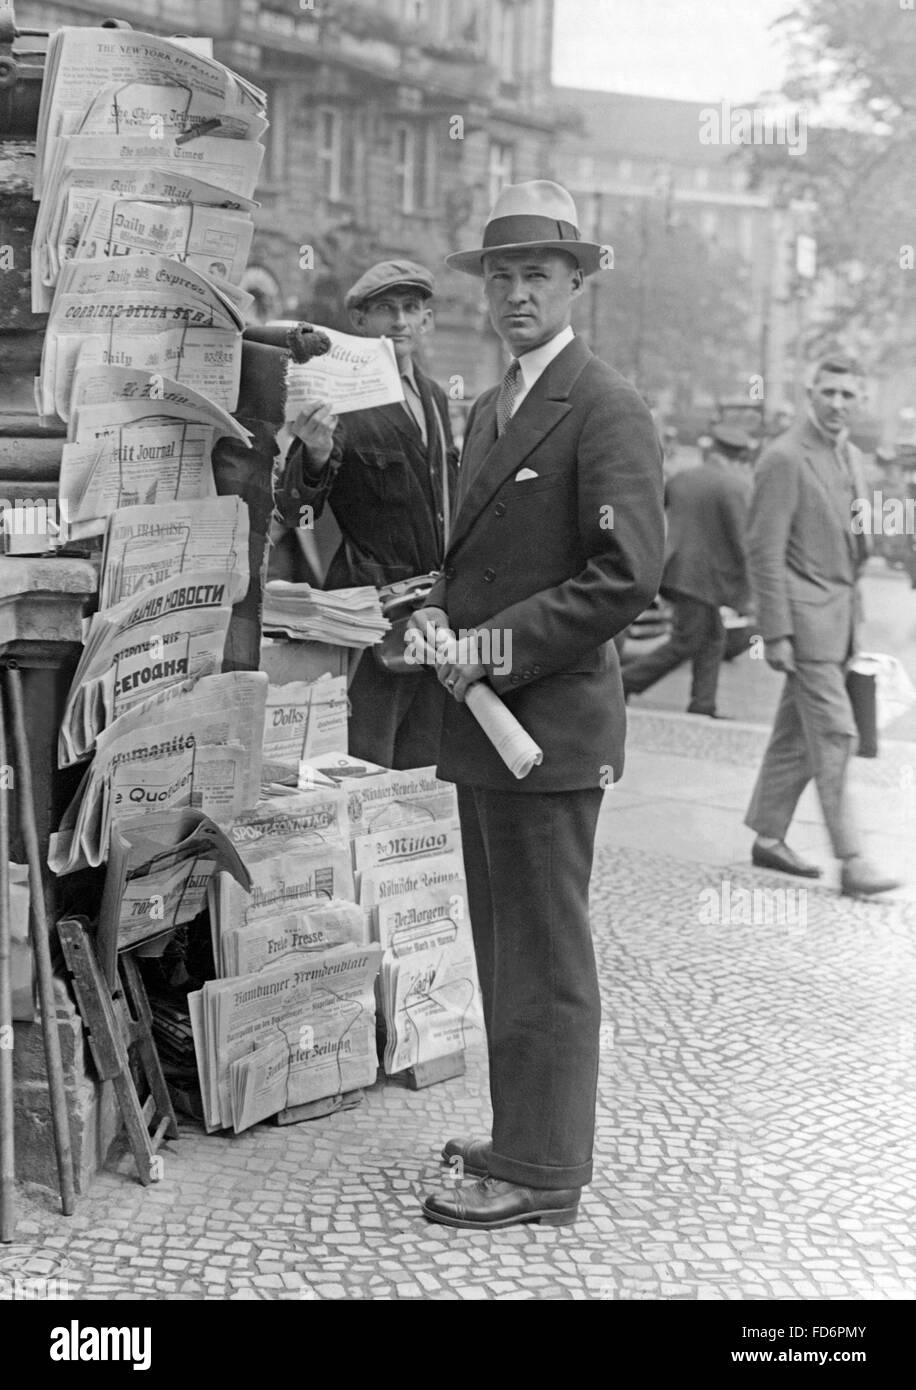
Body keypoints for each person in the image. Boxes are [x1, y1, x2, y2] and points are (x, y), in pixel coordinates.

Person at [409, 180, 665, 1229]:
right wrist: (435, 607)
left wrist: (489, 649)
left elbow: (626, 575)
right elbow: (483, 557)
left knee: (545, 953)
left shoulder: (603, 405)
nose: (517, 292)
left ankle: (544, 1172)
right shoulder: (493, 404)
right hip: (487, 725)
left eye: (538, 275)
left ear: (575, 285)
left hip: (543, 732)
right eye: (502, 275)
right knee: (505, 943)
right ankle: (521, 1135)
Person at [275, 260, 458, 769]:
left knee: (424, 768)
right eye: (385, 310)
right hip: (366, 615)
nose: (399, 321)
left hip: (432, 615)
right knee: (361, 766)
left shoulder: (438, 400)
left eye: (411, 309)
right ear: (360, 324)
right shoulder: (340, 401)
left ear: (427, 321)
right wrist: (312, 452)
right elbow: (297, 510)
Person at [744, 352, 900, 896]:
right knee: (835, 733)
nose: (837, 403)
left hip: (840, 621)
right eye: (828, 392)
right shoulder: (784, 457)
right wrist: (778, 632)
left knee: (795, 736)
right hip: (805, 626)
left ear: (861, 401)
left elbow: (858, 539)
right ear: (810, 394)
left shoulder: (852, 457)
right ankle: (853, 859)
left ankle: (767, 837)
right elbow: (763, 552)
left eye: (847, 395)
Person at [622, 422, 754, 718]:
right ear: (737, 456)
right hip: (704, 578)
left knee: (712, 638)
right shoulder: (734, 486)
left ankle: (703, 704)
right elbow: (741, 541)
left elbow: (653, 511)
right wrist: (749, 587)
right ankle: (622, 683)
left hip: (676, 570)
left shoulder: (683, 478)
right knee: (687, 640)